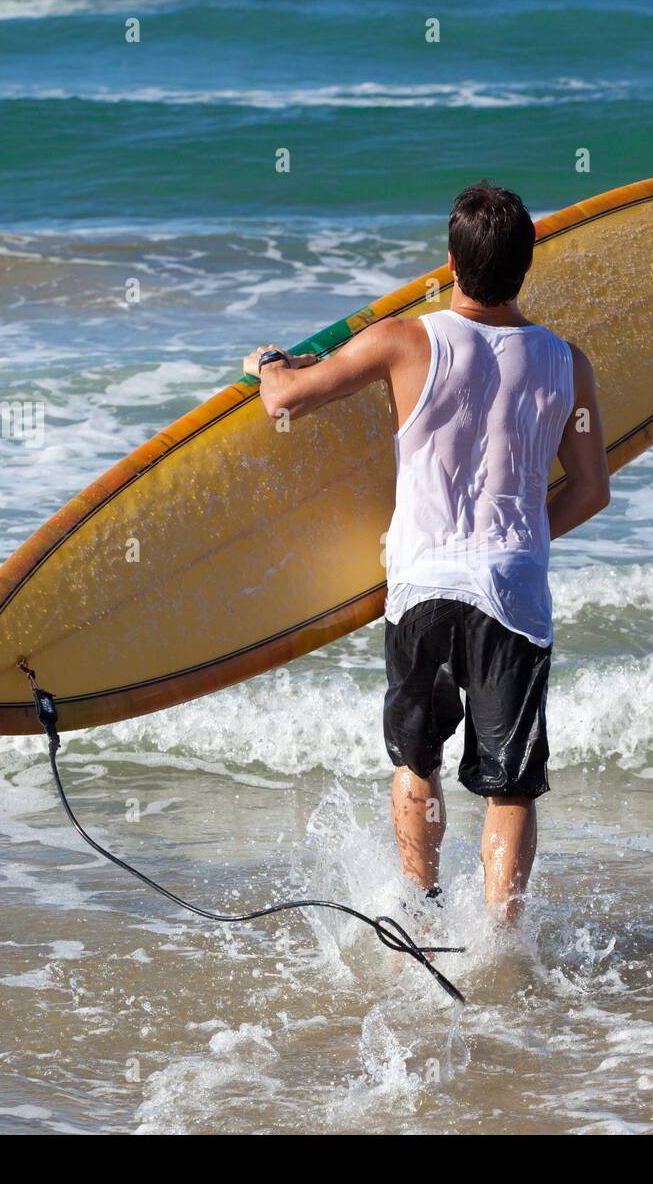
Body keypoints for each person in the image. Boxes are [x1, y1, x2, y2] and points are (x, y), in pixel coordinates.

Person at [244, 182, 609, 928]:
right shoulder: (568, 364)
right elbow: (591, 490)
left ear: (449, 264)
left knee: (418, 759)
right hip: (513, 594)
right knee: (509, 786)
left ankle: (419, 908)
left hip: (422, 586)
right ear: (524, 267)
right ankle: (502, 944)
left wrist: (269, 367)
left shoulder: (408, 341)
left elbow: (288, 401)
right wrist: (521, 541)